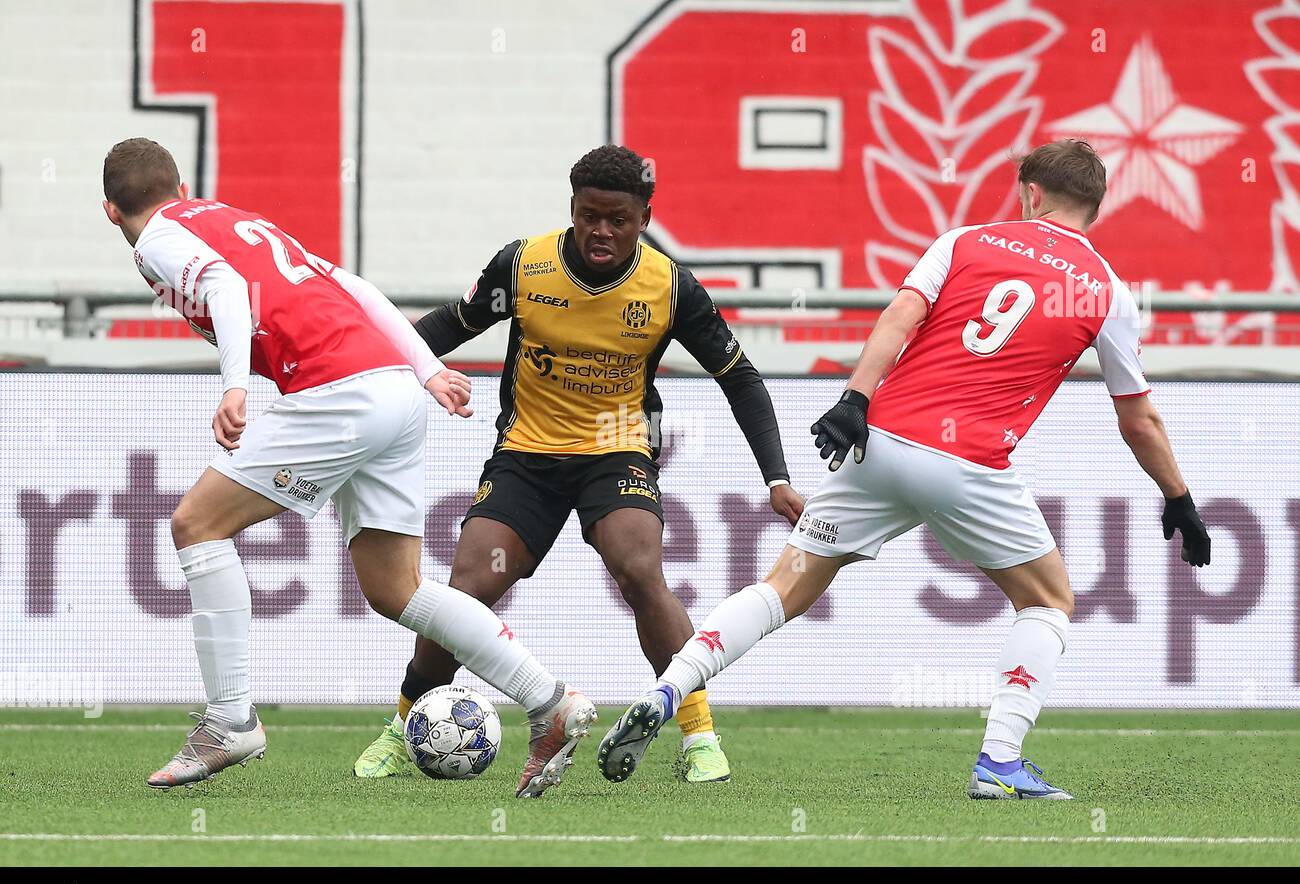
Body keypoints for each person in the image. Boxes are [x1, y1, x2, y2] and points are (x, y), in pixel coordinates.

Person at [597, 139, 1212, 799]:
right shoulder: (1106, 290)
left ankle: (670, 689)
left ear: (1032, 193)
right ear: (1097, 202)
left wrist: (853, 399)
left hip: (880, 442)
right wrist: (1178, 496)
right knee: (1048, 599)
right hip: (969, 464)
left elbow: (899, 317)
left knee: (782, 590)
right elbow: (1138, 418)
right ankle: (999, 764)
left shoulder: (965, 240)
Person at [103, 137, 596, 798]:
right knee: (398, 589)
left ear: (111, 210)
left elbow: (220, 286)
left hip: (337, 391)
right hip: (391, 388)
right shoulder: (229, 218)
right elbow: (350, 284)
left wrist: (234, 387)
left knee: (197, 525)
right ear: (183, 186)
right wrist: (425, 369)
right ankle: (551, 700)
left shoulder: (156, 240)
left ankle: (229, 720)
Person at [352, 144, 802, 783]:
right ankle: (402, 728)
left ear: (644, 218)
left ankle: (698, 735)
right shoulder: (524, 265)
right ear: (572, 208)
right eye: (589, 215)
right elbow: (451, 325)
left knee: (641, 569)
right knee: (466, 589)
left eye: (618, 219)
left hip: (617, 451)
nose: (602, 231)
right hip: (526, 456)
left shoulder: (669, 287)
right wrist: (366, 364)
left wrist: (776, 477)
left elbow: (741, 378)